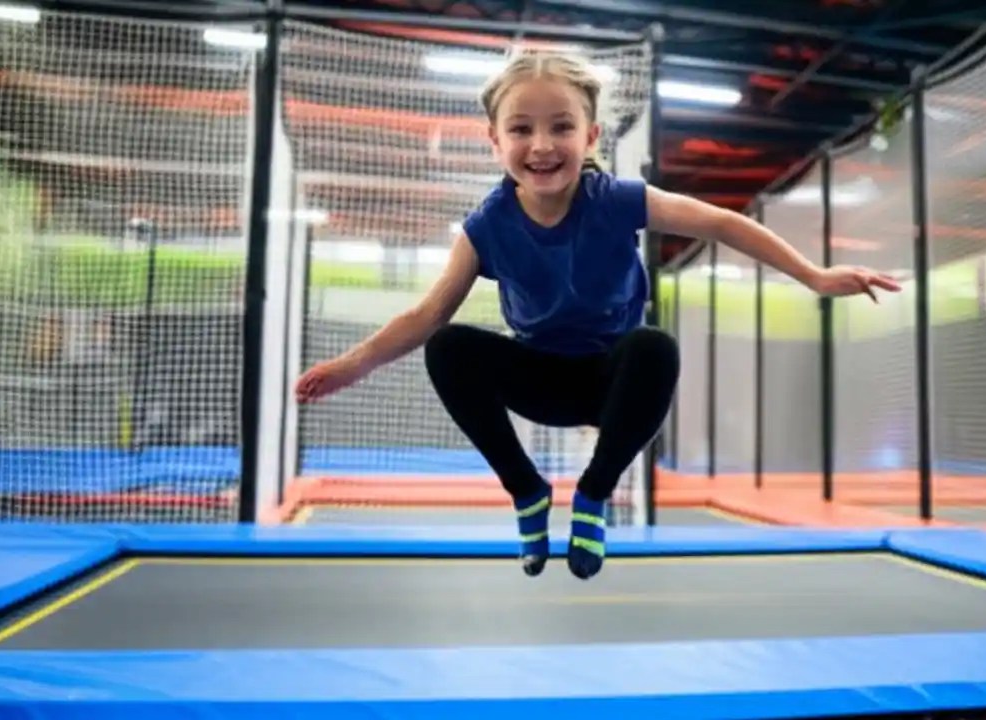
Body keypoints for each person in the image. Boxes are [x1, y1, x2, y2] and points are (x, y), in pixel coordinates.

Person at [294, 51, 900, 580]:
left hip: (614, 384)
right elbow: (427, 314)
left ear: (590, 138)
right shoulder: (487, 226)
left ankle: (594, 493)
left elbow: (721, 222)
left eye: (561, 127)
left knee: (655, 347)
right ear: (495, 140)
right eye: (521, 129)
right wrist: (354, 365)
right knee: (448, 345)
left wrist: (815, 277)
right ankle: (526, 492)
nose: (541, 145)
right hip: (538, 378)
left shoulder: (616, 201)